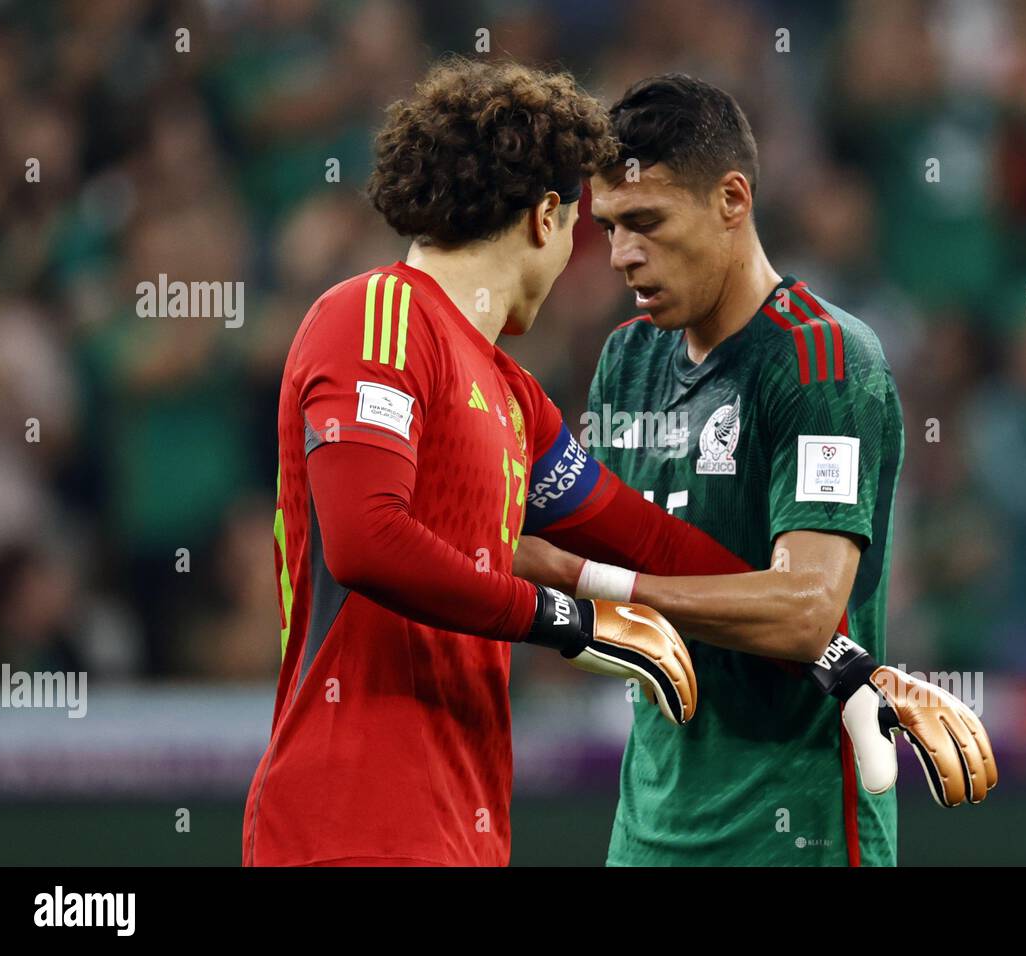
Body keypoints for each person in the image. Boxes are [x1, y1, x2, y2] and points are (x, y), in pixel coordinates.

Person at [243, 58, 736, 867]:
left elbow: (644, 541)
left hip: (459, 832)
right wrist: (566, 622)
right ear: (545, 218)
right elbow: (365, 541)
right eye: (581, 225)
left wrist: (829, 641)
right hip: (347, 829)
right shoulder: (376, 316)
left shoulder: (512, 396)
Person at [514, 74, 995, 866]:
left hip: (795, 832)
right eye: (609, 227)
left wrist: (583, 577)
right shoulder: (625, 361)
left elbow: (804, 611)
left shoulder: (825, 362)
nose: (622, 255)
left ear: (732, 200)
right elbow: (591, 577)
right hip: (647, 831)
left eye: (647, 222)